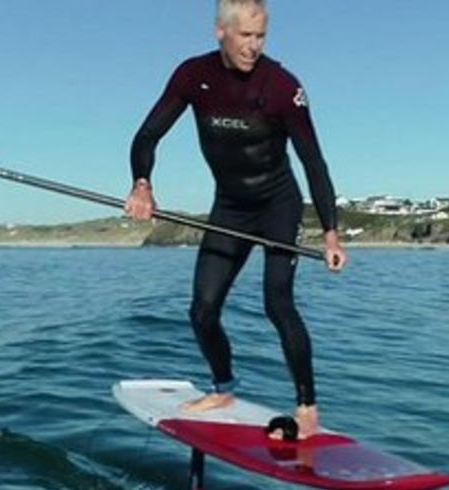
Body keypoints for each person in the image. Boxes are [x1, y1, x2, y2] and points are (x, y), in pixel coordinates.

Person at [125, 0, 346, 440]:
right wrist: (142, 184)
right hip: (230, 206)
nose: (254, 46)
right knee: (203, 309)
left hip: (278, 204)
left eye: (261, 36)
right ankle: (223, 387)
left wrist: (331, 233)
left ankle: (307, 409)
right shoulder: (193, 76)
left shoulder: (283, 86)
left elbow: (313, 163)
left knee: (277, 302)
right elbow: (148, 135)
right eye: (245, 35)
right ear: (220, 32)